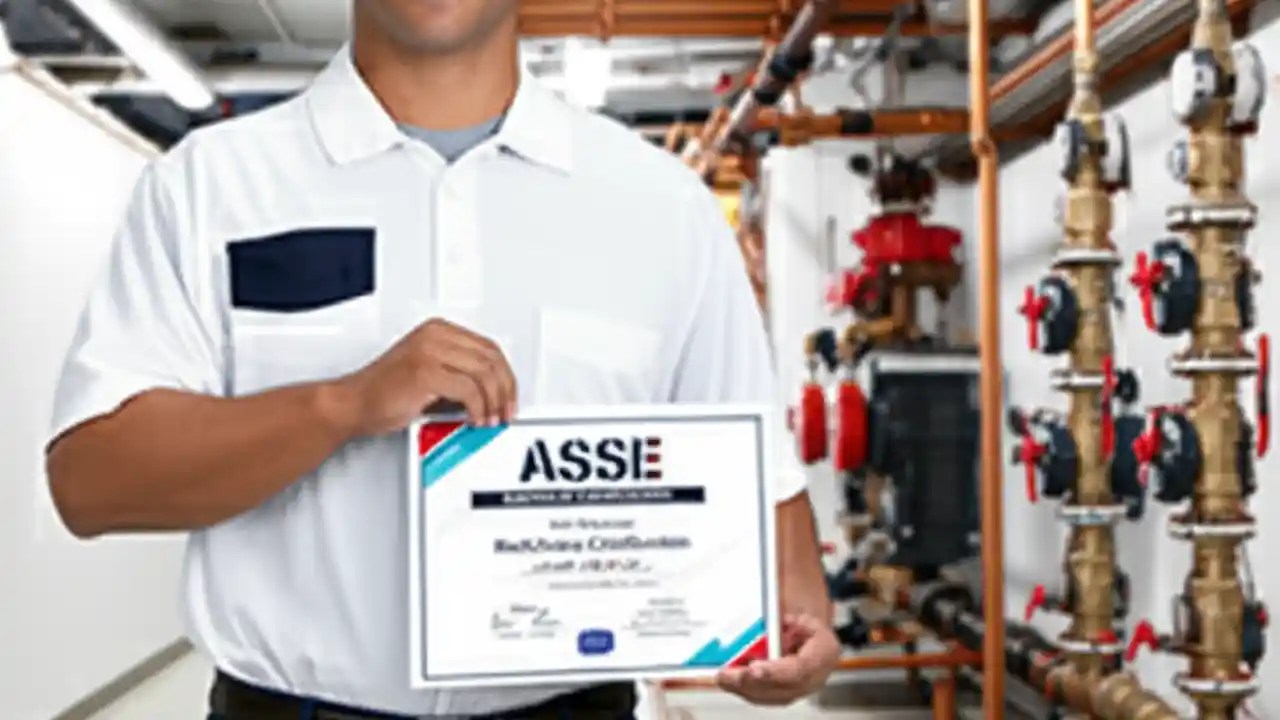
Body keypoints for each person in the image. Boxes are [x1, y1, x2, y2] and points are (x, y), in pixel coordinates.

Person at [45, 0, 839, 718]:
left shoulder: (663, 207)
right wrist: (343, 405)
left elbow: (773, 529)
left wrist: (793, 645)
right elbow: (91, 482)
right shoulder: (209, 187)